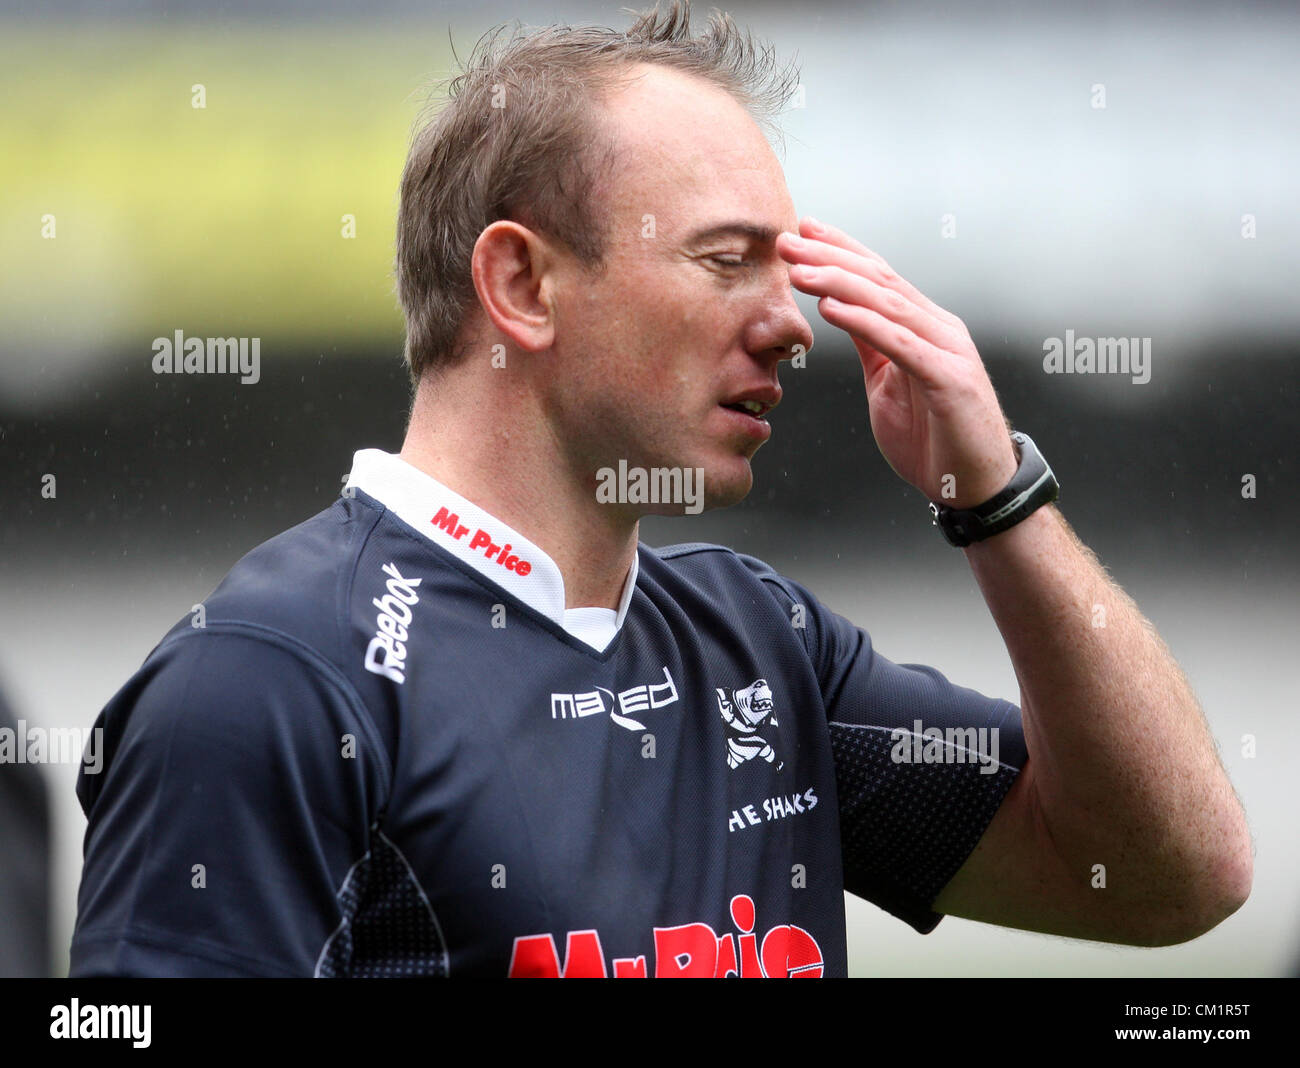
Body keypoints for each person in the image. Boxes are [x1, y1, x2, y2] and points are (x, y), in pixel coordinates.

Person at [70, 1, 1251, 978]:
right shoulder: (265, 683)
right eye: (726, 259)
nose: (793, 326)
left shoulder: (762, 645)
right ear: (521, 284)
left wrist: (996, 500)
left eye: (784, 270)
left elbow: (1170, 878)